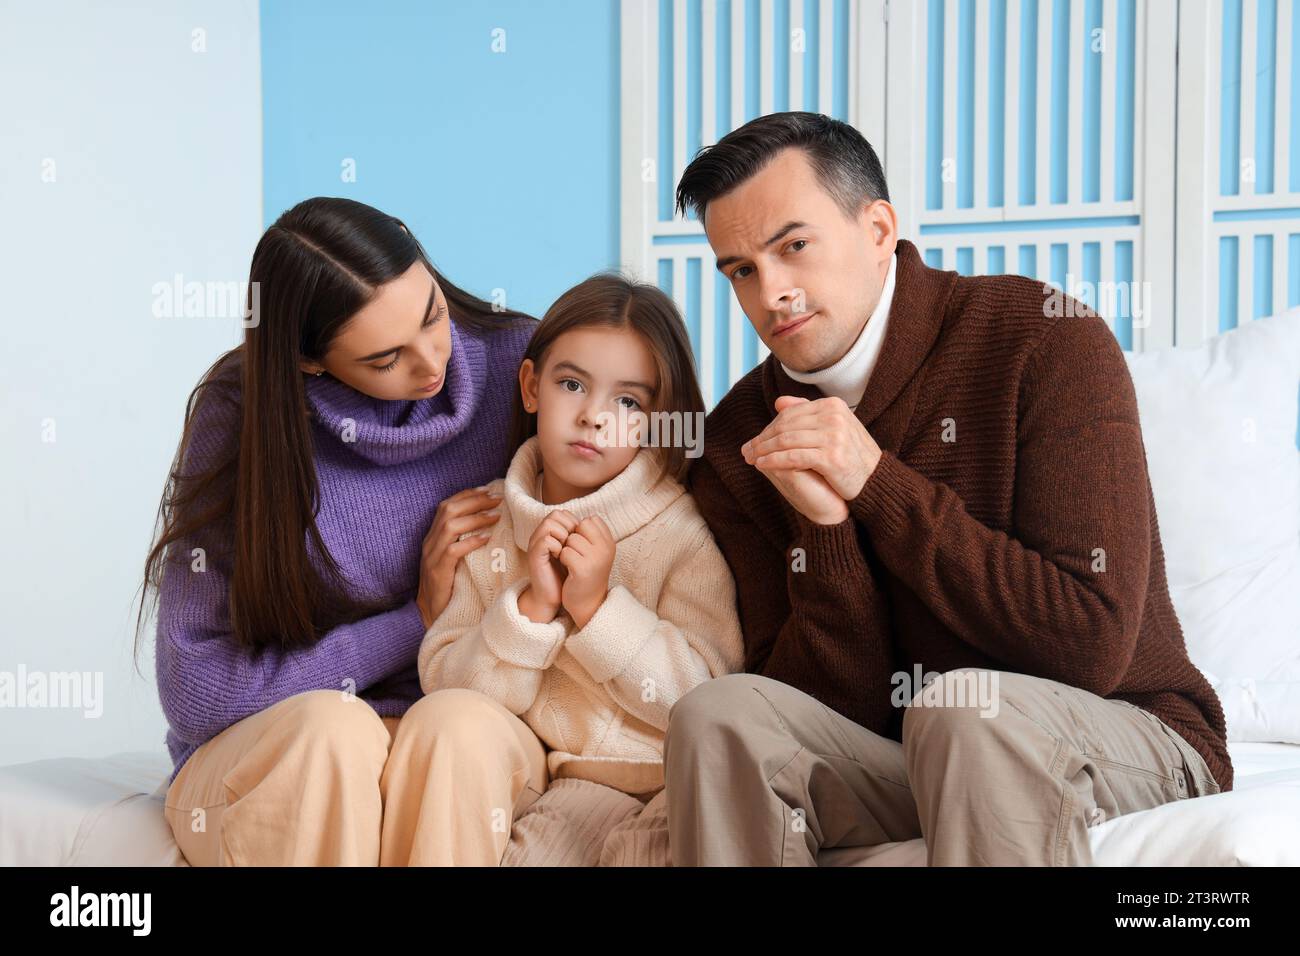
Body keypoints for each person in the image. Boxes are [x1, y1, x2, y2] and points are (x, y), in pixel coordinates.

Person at [662, 111, 1232, 866]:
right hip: (915, 753)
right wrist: (829, 538)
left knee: (965, 713)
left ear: (877, 230)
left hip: (1128, 732)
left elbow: (1089, 645)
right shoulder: (740, 441)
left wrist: (875, 484)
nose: (772, 293)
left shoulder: (1043, 338)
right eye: (740, 269)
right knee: (721, 716)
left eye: (793, 247)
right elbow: (816, 703)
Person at [139, 196, 536, 865]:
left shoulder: (523, 363)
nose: (432, 363)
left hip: (452, 724)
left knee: (454, 731)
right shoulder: (242, 414)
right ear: (309, 363)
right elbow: (195, 692)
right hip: (289, 745)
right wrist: (415, 619)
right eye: (385, 359)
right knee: (336, 733)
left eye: (432, 314)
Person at [416, 273, 744, 865]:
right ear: (531, 385)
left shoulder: (681, 532)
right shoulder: (488, 523)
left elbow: (709, 699)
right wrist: (530, 612)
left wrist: (596, 610)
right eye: (572, 384)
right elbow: (446, 689)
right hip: (570, 787)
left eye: (627, 401)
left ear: (656, 419)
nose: (595, 416)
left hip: (681, 781)